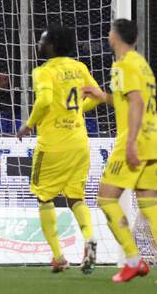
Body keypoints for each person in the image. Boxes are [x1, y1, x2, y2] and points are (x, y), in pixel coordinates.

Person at [82, 19, 157, 284]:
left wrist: (129, 143)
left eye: (109, 32)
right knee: (149, 203)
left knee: (106, 200)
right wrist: (100, 94)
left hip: (134, 138)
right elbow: (128, 98)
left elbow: (136, 102)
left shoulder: (122, 64)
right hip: (154, 139)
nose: (108, 36)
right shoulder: (142, 65)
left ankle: (132, 259)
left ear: (114, 37)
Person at [15, 24, 101, 274]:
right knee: (76, 197)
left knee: (44, 197)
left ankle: (58, 256)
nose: (39, 45)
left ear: (52, 45)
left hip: (53, 144)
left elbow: (43, 101)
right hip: (79, 142)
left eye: (42, 40)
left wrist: (29, 125)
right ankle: (89, 237)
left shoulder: (43, 71)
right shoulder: (79, 67)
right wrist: (75, 111)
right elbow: (96, 95)